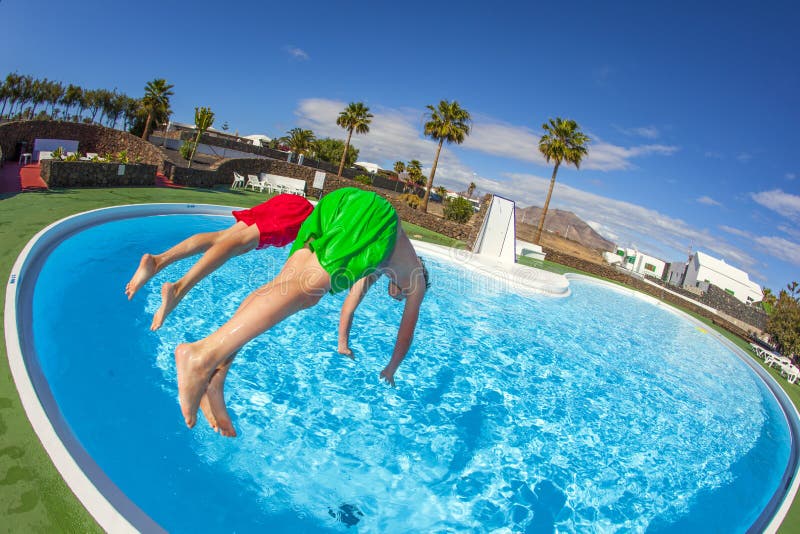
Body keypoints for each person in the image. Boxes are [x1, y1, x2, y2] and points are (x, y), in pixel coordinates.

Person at [173, 187, 429, 437]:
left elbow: (349, 306)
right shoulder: (416, 281)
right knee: (306, 290)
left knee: (283, 288)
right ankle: (201, 357)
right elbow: (406, 335)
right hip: (372, 215)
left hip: (341, 203)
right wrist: (392, 369)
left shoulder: (379, 265)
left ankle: (216, 378)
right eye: (402, 297)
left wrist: (342, 343)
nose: (400, 297)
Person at [125, 194, 314, 331]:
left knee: (221, 237)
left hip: (292, 202)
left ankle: (158, 261)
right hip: (303, 215)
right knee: (239, 243)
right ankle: (179, 289)